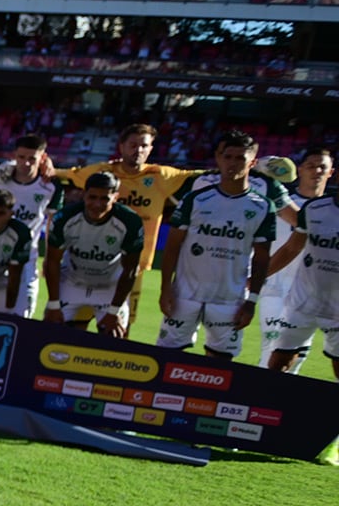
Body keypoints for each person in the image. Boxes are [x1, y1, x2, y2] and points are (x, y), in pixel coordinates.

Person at [58, 123, 205, 334]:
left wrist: (251, 169)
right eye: (133, 145)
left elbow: (205, 176)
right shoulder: (102, 172)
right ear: (121, 146)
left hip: (132, 267)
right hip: (90, 261)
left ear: (151, 148)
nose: (139, 150)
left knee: (117, 329)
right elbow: (64, 174)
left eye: (144, 145)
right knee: (74, 326)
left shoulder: (161, 176)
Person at [155, 131, 277, 359]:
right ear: (218, 159)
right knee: (167, 358)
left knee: (220, 365)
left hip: (229, 298)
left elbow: (262, 258)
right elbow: (172, 246)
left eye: (240, 158)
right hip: (184, 294)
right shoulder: (195, 200)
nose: (232, 163)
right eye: (228, 156)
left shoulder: (263, 207)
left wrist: (251, 302)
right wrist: (165, 289)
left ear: (252, 162)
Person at [266, 150, 338, 374]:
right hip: (303, 302)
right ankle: (268, 405)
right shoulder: (314, 209)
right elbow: (292, 247)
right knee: (278, 361)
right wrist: (258, 276)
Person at [44, 170, 141, 336]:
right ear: (84, 195)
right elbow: (52, 261)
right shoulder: (64, 218)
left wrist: (114, 310)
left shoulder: (130, 221)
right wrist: (53, 304)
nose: (97, 204)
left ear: (116, 197)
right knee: (49, 334)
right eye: (92, 197)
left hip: (109, 286)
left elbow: (130, 269)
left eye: (104, 199)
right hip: (72, 282)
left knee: (114, 337)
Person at [0, 134, 64, 316]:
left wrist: (48, 258)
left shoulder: (51, 186)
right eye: (21, 157)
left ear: (43, 158)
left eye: (32, 158)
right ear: (14, 155)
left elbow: (51, 225)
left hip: (26, 257)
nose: (27, 163)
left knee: (22, 314)